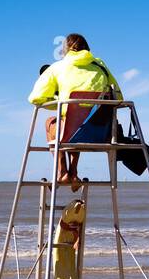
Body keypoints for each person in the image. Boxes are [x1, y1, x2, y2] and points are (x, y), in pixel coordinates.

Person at [28, 33, 122, 189]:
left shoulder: (57, 67)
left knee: (54, 123)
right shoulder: (101, 66)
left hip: (71, 132)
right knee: (78, 122)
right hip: (102, 134)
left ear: (65, 50)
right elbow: (119, 97)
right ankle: (74, 173)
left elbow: (35, 98)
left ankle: (62, 172)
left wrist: (60, 103)